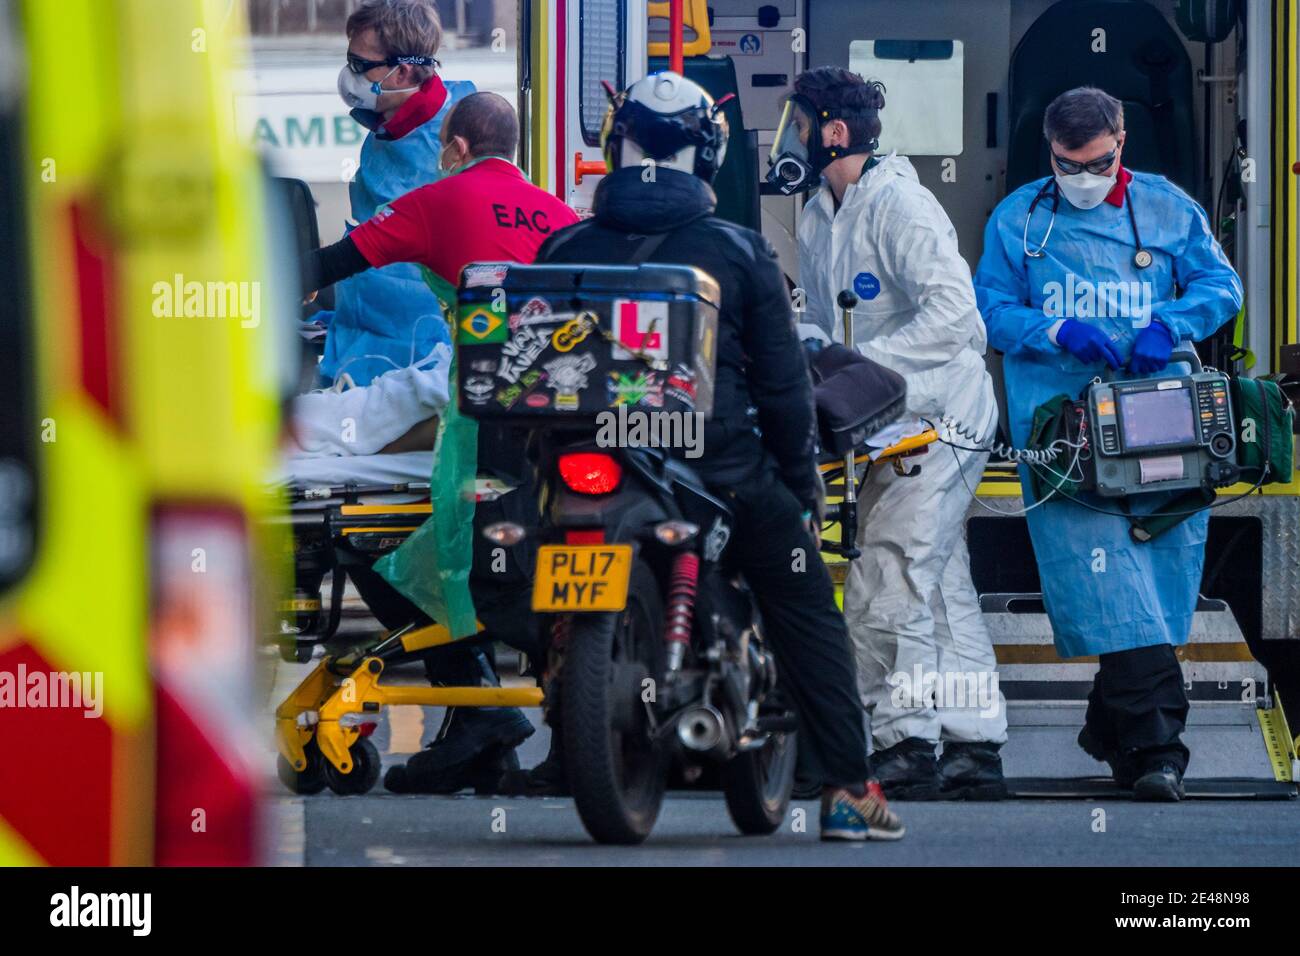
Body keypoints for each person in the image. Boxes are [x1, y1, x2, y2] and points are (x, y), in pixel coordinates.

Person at [525, 71, 904, 841]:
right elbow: (782, 388)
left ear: (615, 147)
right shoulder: (737, 249)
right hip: (719, 469)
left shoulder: (562, 245)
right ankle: (846, 788)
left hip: (589, 463)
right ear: (709, 156)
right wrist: (802, 488)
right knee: (804, 605)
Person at [304, 91, 580, 794]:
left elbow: (335, 262)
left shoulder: (437, 201)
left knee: (422, 552)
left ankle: (477, 703)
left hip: (483, 412)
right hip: (563, 414)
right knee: (497, 549)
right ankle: (481, 733)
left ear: (454, 146)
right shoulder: (557, 213)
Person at [974, 86, 1243, 800]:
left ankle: (1119, 734)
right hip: (1064, 429)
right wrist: (1055, 330)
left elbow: (1223, 285)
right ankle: (1159, 748)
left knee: (1149, 579)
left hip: (1158, 420)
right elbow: (991, 309)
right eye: (1067, 164)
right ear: (1051, 154)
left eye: (1095, 163)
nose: (1081, 178)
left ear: (1122, 140)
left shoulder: (1168, 209)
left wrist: (1172, 324)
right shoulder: (1020, 219)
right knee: (1111, 579)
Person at [773, 67, 1008, 800]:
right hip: (884, 420)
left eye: (802, 124)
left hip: (940, 415)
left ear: (834, 132)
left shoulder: (899, 204)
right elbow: (834, 320)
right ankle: (975, 747)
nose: (793, 137)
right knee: (940, 588)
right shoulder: (818, 211)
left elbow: (956, 319)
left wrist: (858, 365)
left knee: (888, 576)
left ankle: (905, 740)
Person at [316, 0, 475, 387]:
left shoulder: (455, 140)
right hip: (362, 324)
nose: (349, 74)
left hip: (419, 344)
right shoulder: (388, 125)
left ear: (403, 71)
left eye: (360, 65)